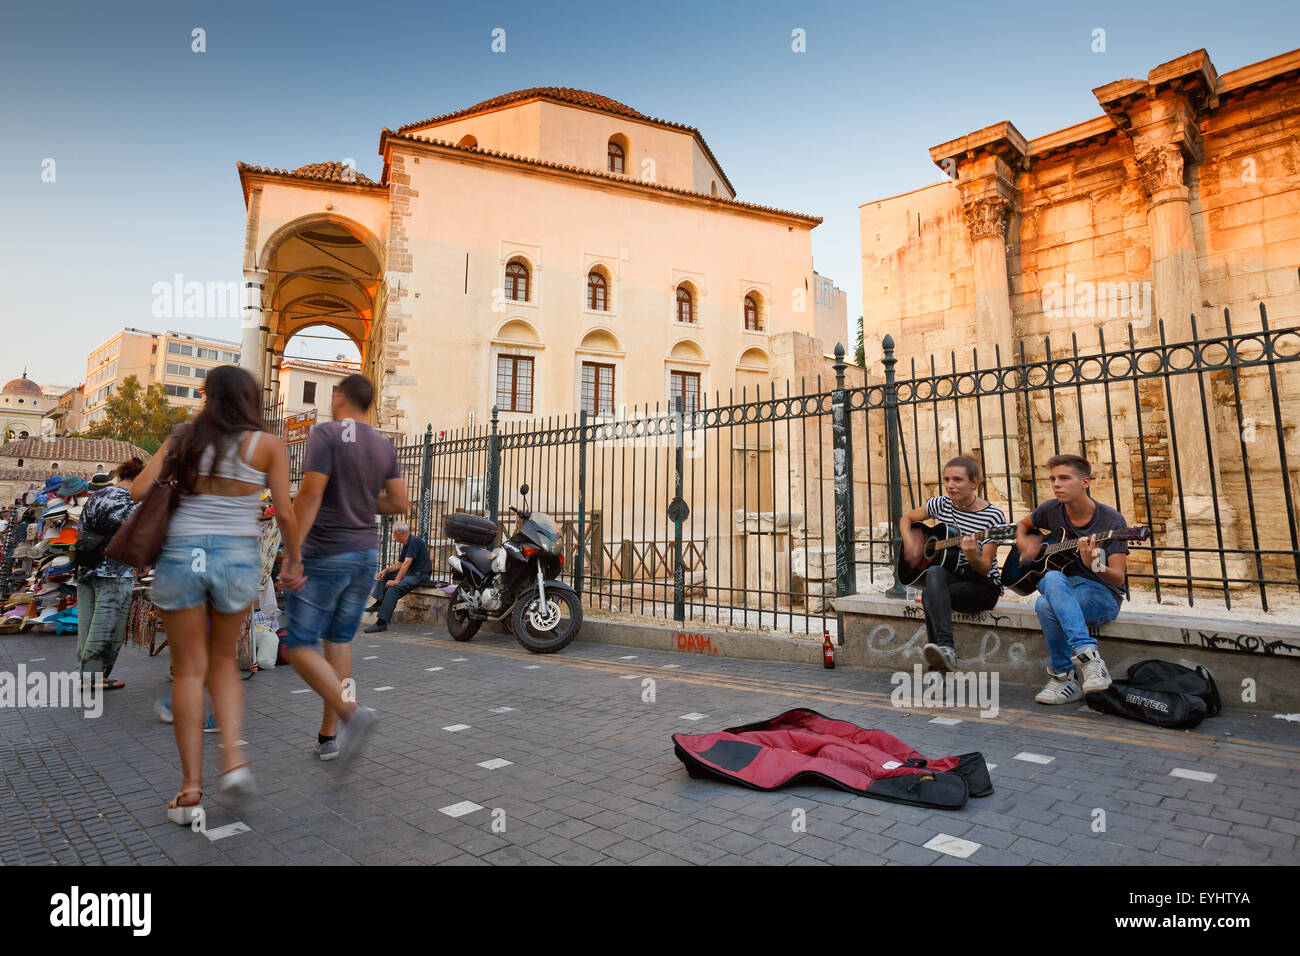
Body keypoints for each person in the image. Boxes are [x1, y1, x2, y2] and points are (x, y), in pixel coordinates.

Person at [132, 365, 301, 825]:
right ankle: (234, 761)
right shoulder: (267, 444)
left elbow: (137, 489)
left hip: (183, 553)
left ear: (208, 396)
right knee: (224, 661)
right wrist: (293, 561)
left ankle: (189, 791)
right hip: (237, 557)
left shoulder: (185, 436)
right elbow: (284, 511)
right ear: (251, 399)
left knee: (188, 672)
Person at [283, 375, 409, 763]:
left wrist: (293, 555)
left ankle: (352, 714)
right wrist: (361, 502)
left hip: (326, 553)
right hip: (365, 555)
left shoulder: (326, 434)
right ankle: (328, 736)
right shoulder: (382, 443)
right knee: (338, 642)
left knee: (299, 644)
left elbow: (310, 494)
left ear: (339, 398)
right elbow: (399, 502)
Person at [1014, 453, 1128, 704]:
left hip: (1100, 594)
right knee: (1052, 578)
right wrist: (1027, 545)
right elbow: (1020, 527)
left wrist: (1095, 566)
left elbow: (1118, 579)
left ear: (1085, 482)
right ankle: (1088, 658)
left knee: (1044, 604)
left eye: (1064, 478)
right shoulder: (1049, 510)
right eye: (1053, 478)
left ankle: (1064, 678)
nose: (1056, 484)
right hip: (1063, 587)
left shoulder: (1112, 521)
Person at [900, 456, 1006, 674]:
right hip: (952, 577)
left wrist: (971, 555)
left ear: (974, 483)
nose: (950, 485)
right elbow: (906, 519)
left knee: (931, 594)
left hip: (982, 586)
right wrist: (911, 543)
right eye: (946, 479)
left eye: (957, 480)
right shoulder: (941, 504)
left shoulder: (993, 517)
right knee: (934, 573)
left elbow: (985, 568)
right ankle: (946, 650)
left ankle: (938, 666)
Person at [75, 460, 145, 689]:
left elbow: (81, 528)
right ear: (138, 479)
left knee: (87, 623)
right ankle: (94, 677)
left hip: (87, 565)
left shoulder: (97, 495)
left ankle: (89, 675)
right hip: (114, 569)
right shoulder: (130, 501)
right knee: (107, 624)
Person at [364, 522, 432, 633]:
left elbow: (407, 563)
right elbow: (399, 564)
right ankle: (379, 603)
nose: (392, 534)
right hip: (411, 573)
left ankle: (381, 624)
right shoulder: (407, 544)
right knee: (386, 576)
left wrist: (396, 580)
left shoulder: (414, 541)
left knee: (394, 589)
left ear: (398, 533)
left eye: (393, 533)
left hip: (420, 575)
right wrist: (385, 570)